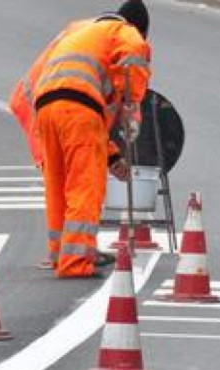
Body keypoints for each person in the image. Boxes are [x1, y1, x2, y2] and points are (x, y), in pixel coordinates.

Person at [9, 0, 152, 278]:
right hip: (78, 109)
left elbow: (86, 121)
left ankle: (60, 252)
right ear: (139, 27)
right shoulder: (125, 31)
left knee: (58, 183)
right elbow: (134, 57)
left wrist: (112, 157)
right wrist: (129, 101)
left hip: (48, 111)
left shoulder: (77, 31)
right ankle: (76, 262)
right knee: (85, 186)